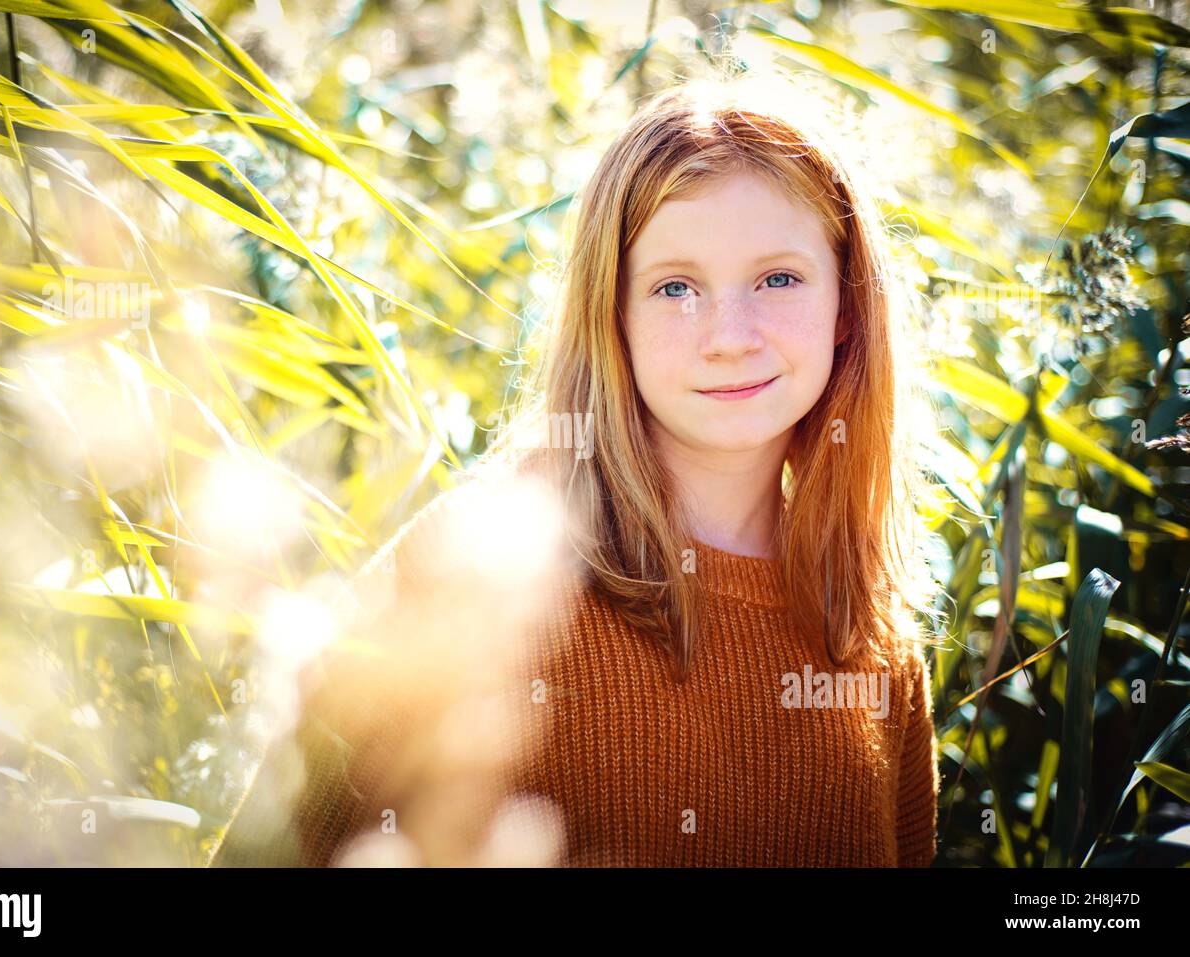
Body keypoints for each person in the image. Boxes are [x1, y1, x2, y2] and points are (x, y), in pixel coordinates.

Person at [211, 76, 947, 868]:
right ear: (612, 315)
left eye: (778, 278)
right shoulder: (481, 571)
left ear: (848, 305)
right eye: (675, 287)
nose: (731, 336)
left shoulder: (870, 631)